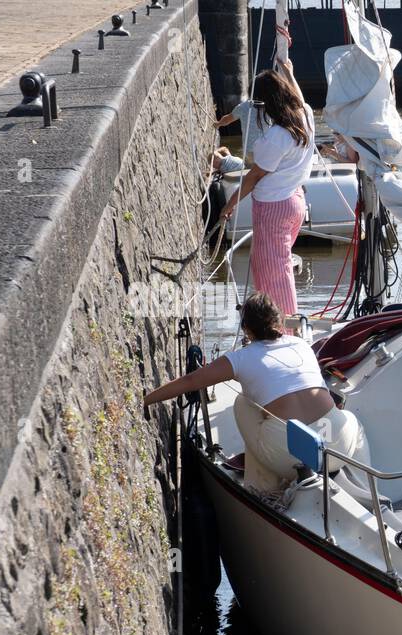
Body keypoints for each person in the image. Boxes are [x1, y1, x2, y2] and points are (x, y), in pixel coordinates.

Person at [143, 292, 367, 495]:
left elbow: (191, 381)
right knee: (354, 425)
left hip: (290, 458)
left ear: (247, 330)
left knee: (243, 402)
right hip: (337, 447)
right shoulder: (301, 344)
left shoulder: (241, 358)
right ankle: (367, 490)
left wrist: (145, 399)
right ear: (280, 321)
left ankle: (265, 488)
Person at [219, 50, 314, 318]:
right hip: (294, 201)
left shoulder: (276, 136)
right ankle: (279, 324)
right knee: (273, 267)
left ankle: (282, 327)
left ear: (265, 103)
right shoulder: (304, 116)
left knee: (274, 272)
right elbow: (298, 97)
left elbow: (253, 177)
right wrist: (289, 73)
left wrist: (229, 205)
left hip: (274, 209)